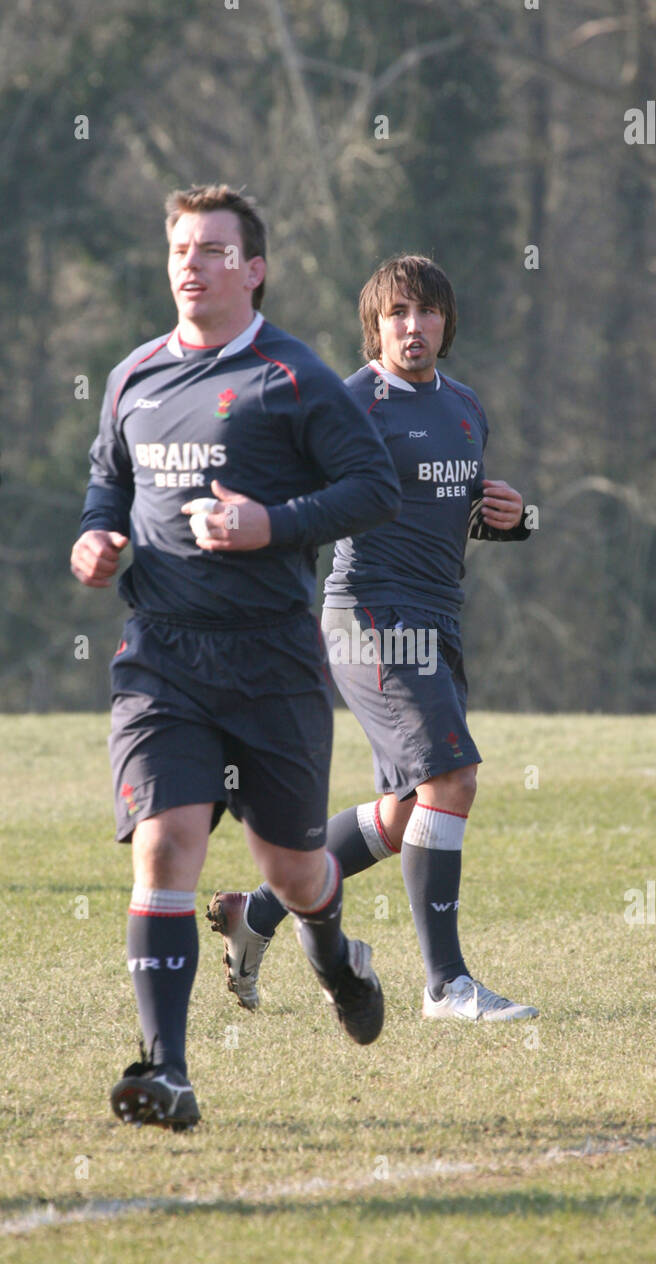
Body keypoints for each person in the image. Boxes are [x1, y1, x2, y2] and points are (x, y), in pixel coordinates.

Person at [70, 185, 401, 1131]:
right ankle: (166, 1070)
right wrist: (95, 540)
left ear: (252, 269)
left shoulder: (293, 378)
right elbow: (108, 483)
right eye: (181, 248)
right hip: (162, 659)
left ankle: (334, 953)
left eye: (214, 250)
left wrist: (271, 525)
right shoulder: (133, 376)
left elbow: (372, 487)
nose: (192, 264)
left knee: (291, 870)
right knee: (167, 845)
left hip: (272, 662)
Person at [208, 254, 538, 1024]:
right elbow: (294, 507)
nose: (413, 327)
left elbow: (452, 515)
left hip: (437, 621)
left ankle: (255, 913)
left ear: (447, 322)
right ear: (375, 327)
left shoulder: (464, 406)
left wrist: (522, 521)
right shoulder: (351, 404)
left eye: (426, 312)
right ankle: (446, 986)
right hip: (367, 618)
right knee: (452, 781)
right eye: (397, 314)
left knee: (401, 814)